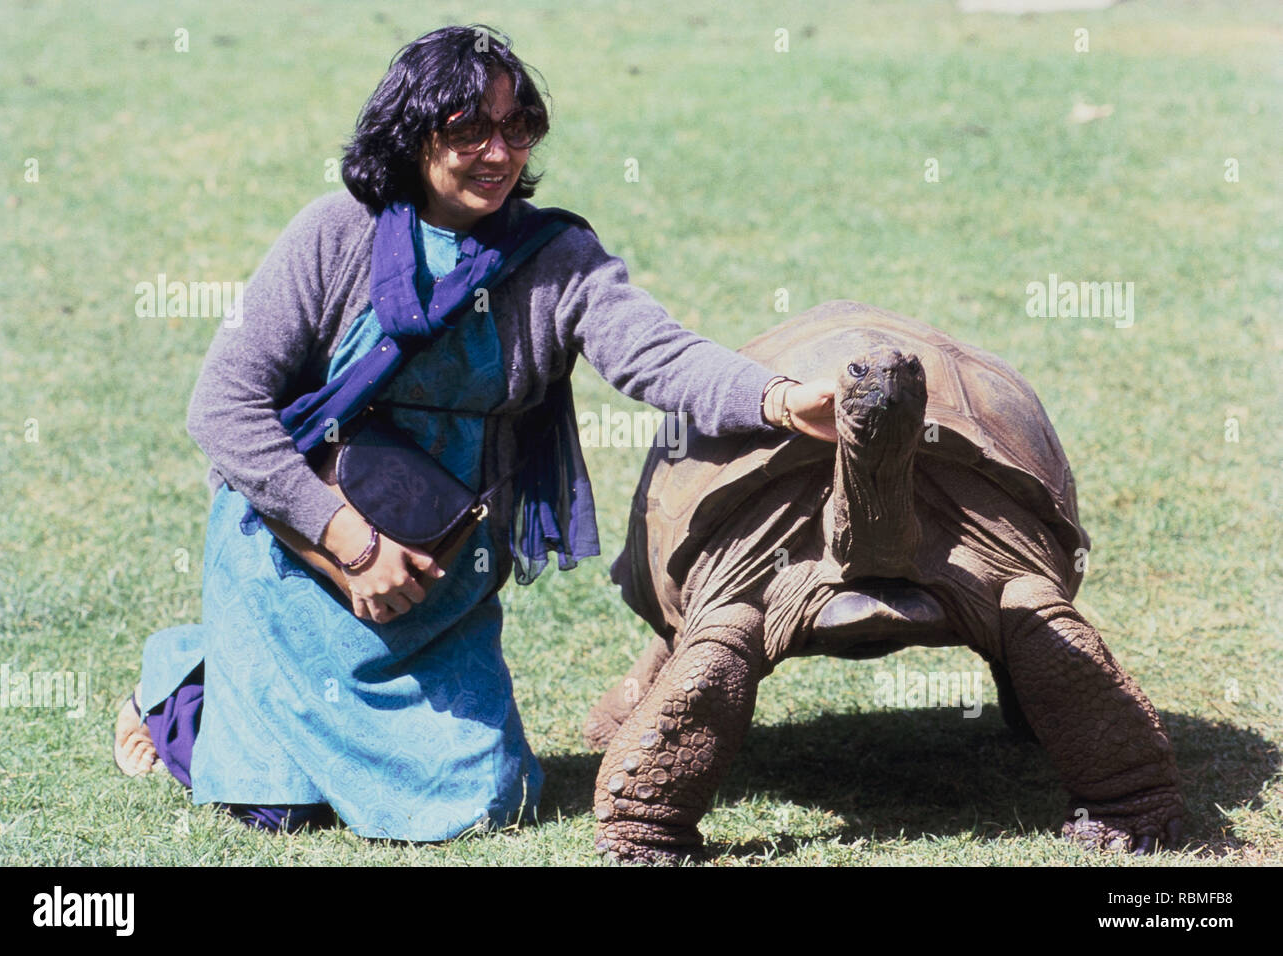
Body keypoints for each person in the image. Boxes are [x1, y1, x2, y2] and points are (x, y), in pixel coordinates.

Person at [114, 24, 836, 841]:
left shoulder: (555, 257)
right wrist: (349, 541)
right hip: (297, 549)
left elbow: (659, 356)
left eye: (516, 128)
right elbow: (221, 408)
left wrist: (778, 398)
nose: (498, 153)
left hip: (441, 568)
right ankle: (174, 686)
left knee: (486, 804)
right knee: (278, 811)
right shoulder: (333, 233)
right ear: (411, 135)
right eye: (468, 131)